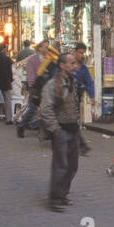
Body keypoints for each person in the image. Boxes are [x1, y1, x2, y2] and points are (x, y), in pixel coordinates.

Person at [39, 51, 83, 211]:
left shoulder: (72, 81)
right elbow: (46, 109)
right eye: (71, 63)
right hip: (61, 130)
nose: (75, 66)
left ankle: (63, 194)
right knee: (60, 165)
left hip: (73, 129)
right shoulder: (53, 84)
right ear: (62, 66)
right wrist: (56, 130)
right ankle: (55, 198)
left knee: (72, 166)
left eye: (75, 63)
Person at [16, 41, 53, 137]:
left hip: (47, 89)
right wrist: (32, 87)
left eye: (47, 47)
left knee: (47, 110)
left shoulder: (48, 59)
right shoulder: (32, 60)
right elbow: (30, 75)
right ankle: (22, 126)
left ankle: (42, 129)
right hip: (36, 88)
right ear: (39, 48)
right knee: (32, 109)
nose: (46, 49)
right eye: (44, 47)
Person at [73, 42, 96, 155]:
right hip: (65, 98)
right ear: (75, 52)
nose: (81, 55)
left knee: (73, 122)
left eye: (83, 53)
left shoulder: (83, 69)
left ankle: (81, 145)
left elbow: (89, 82)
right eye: (79, 52)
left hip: (76, 98)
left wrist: (92, 96)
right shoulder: (67, 64)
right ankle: (81, 145)